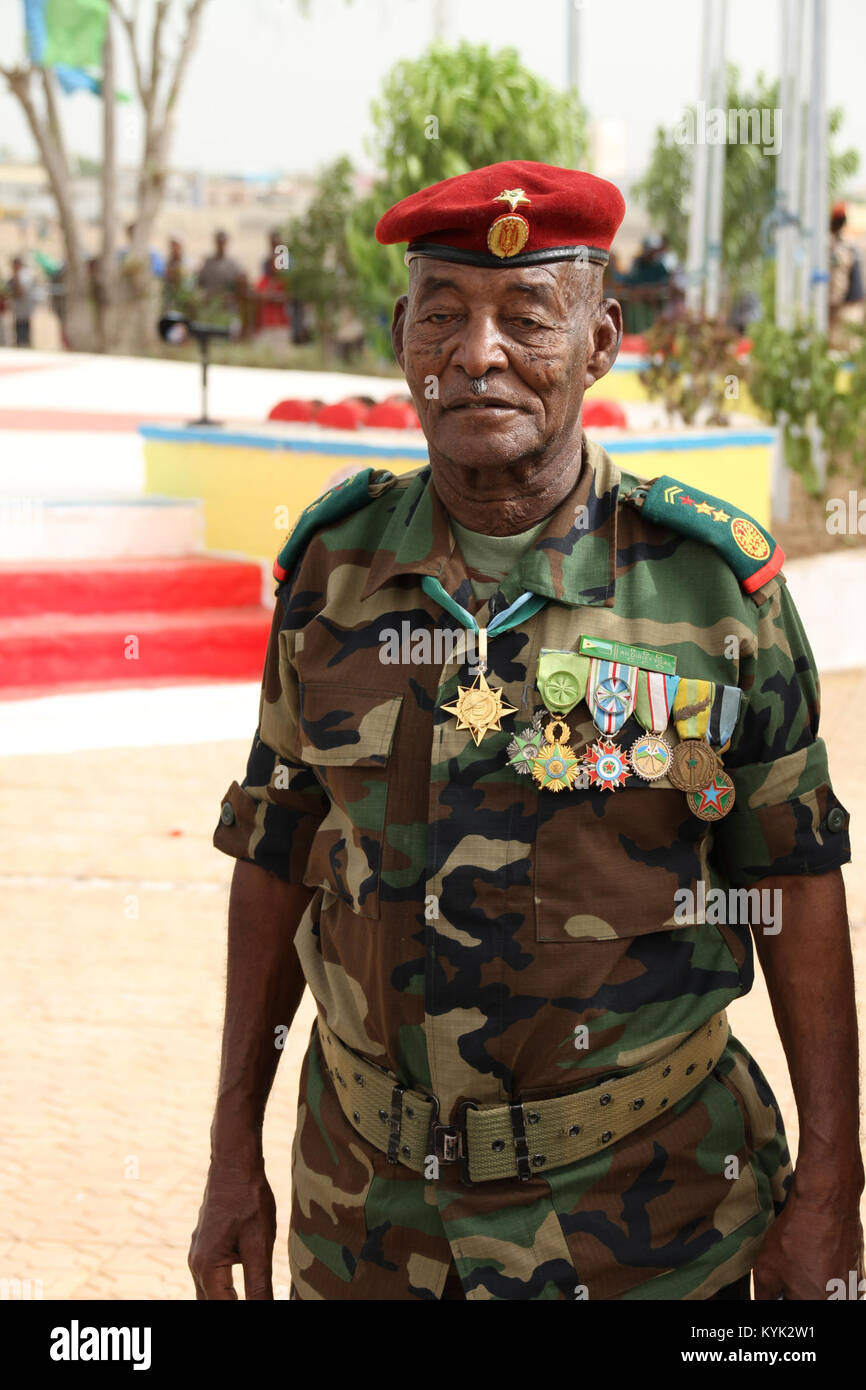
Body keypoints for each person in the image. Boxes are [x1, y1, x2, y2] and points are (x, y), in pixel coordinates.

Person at [190, 160, 862, 1302]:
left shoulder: (709, 593)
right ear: (403, 333)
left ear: (599, 339)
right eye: (441, 315)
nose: (477, 353)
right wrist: (227, 1156)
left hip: (646, 1220)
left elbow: (793, 884)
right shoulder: (332, 572)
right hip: (364, 1215)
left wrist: (830, 1190)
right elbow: (276, 855)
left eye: (524, 318)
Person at [829, 202, 864, 349]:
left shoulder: (841, 246)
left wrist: (832, 305)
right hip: (855, 305)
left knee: (841, 349)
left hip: (846, 307)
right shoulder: (851, 245)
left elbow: (839, 283)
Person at [8, 257, 34, 347]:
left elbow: (22, 291)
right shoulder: (16, 274)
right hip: (18, 304)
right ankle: (20, 341)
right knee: (19, 322)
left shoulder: (24, 274)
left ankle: (25, 342)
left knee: (24, 322)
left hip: (24, 302)